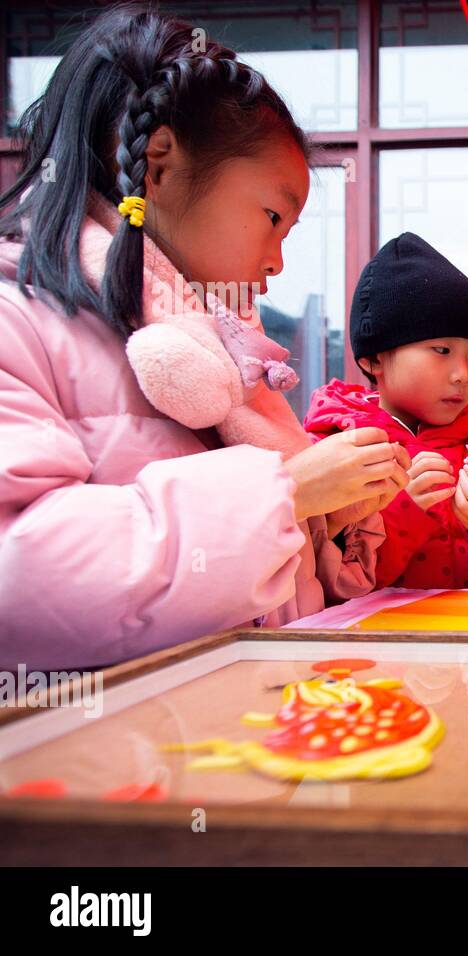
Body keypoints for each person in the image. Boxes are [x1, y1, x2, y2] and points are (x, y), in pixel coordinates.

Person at [0, 7, 408, 670]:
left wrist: (329, 525)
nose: (276, 262)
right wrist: (286, 493)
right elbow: (19, 575)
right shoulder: (19, 314)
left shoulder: (225, 351)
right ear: (158, 166)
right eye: (273, 217)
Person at [304, 233, 468, 590]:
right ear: (375, 358)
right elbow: (328, 590)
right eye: (441, 350)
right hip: (379, 646)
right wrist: (405, 513)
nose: (463, 374)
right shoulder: (335, 452)